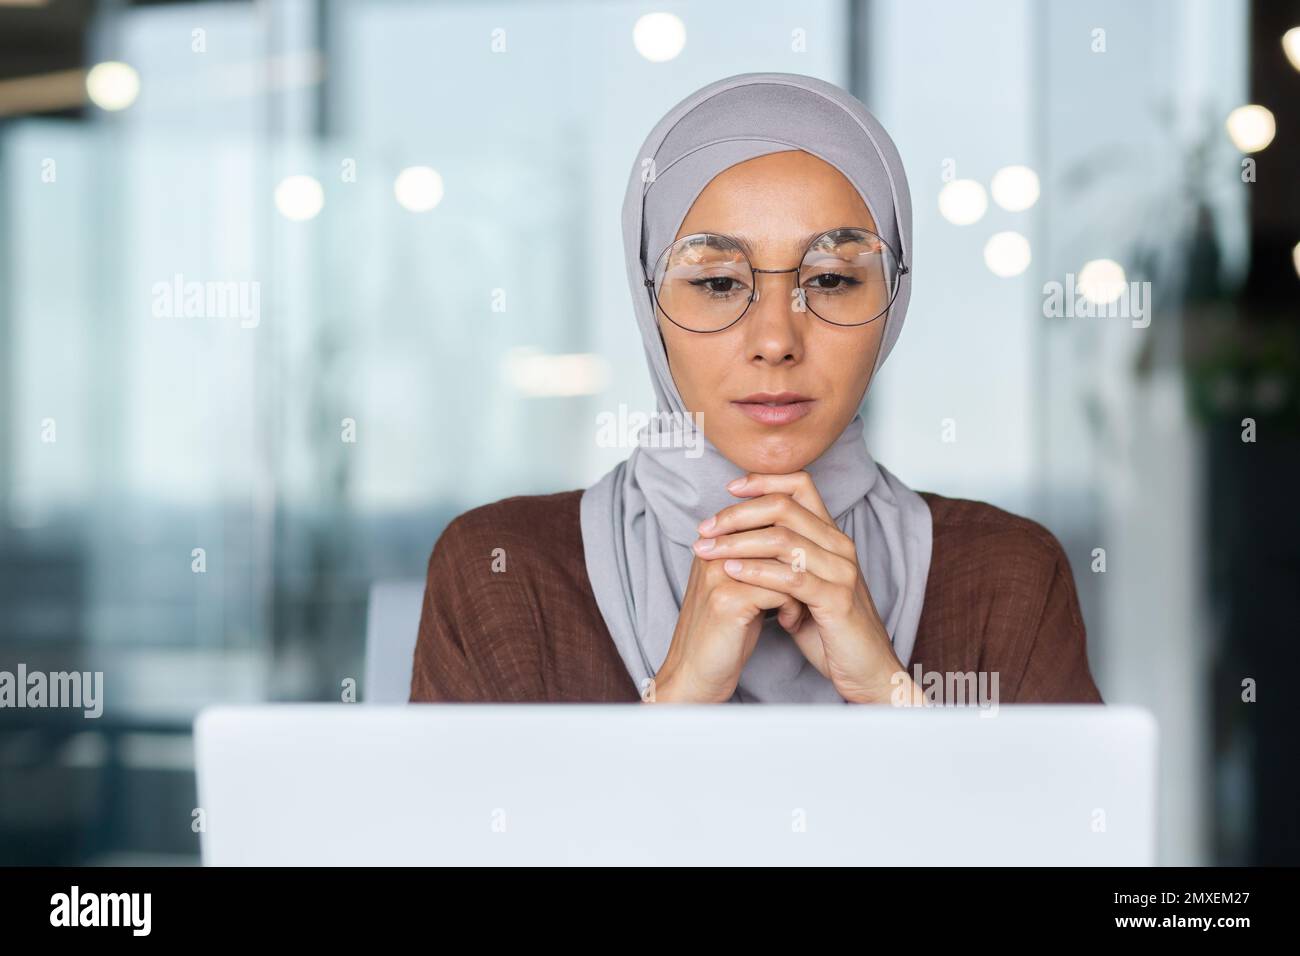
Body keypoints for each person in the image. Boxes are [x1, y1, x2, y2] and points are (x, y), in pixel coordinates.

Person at [410, 72, 1102, 706]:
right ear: (648, 301)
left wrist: (892, 695)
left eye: (830, 278)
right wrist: (676, 702)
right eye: (716, 283)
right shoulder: (501, 575)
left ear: (894, 300)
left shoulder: (1008, 580)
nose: (776, 339)